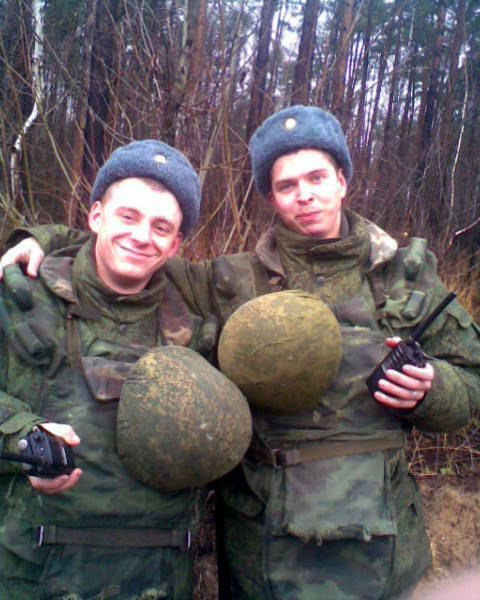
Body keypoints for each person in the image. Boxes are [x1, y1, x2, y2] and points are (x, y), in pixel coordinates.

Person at [3, 106, 480, 599]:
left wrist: (433, 389)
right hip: (267, 552)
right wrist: (38, 241)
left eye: (317, 178)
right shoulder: (229, 281)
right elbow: (125, 255)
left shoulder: (405, 276)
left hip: (382, 546)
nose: (305, 195)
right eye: (287, 185)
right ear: (271, 197)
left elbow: (472, 383)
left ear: (342, 180)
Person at [0, 139, 216, 599]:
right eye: (128, 216)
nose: (141, 236)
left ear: (176, 244)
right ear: (96, 215)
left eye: (161, 227)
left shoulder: (197, 329)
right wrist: (22, 437)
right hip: (33, 572)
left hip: (158, 578)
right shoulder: (21, 295)